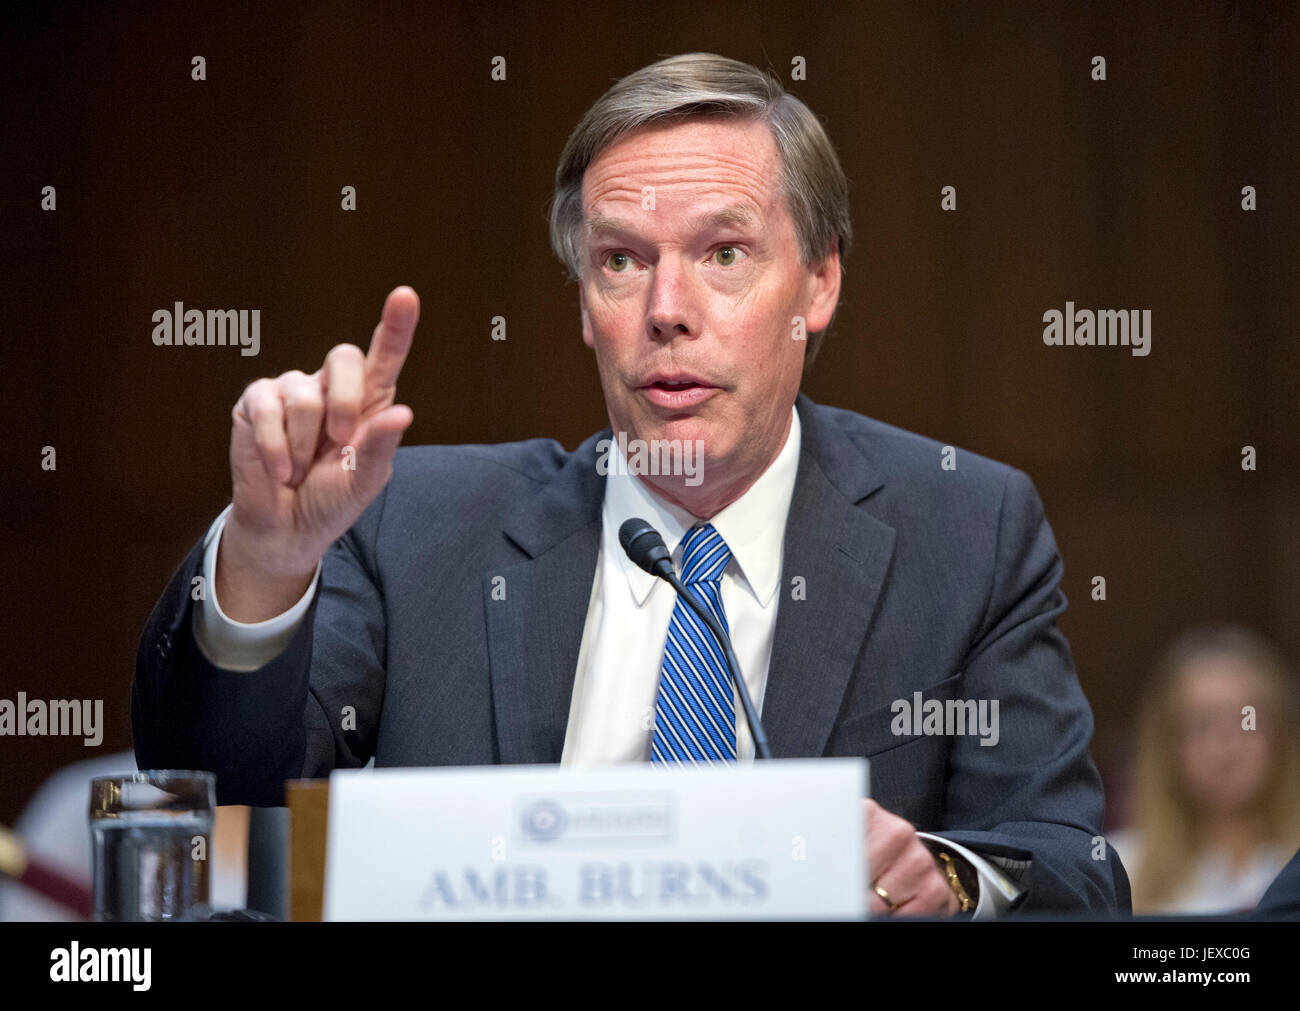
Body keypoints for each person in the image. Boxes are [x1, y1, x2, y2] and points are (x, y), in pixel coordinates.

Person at [132, 52, 1128, 918]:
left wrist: (943, 884)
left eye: (722, 253)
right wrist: (265, 564)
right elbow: (226, 795)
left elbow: (1069, 870)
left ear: (819, 282)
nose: (665, 310)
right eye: (620, 261)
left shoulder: (965, 527)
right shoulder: (412, 524)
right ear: (583, 304)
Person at [1110, 625, 1300, 914]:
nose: (1224, 746)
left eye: (1246, 720)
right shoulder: (1118, 869)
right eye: (1201, 724)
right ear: (1167, 746)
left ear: (1282, 735)